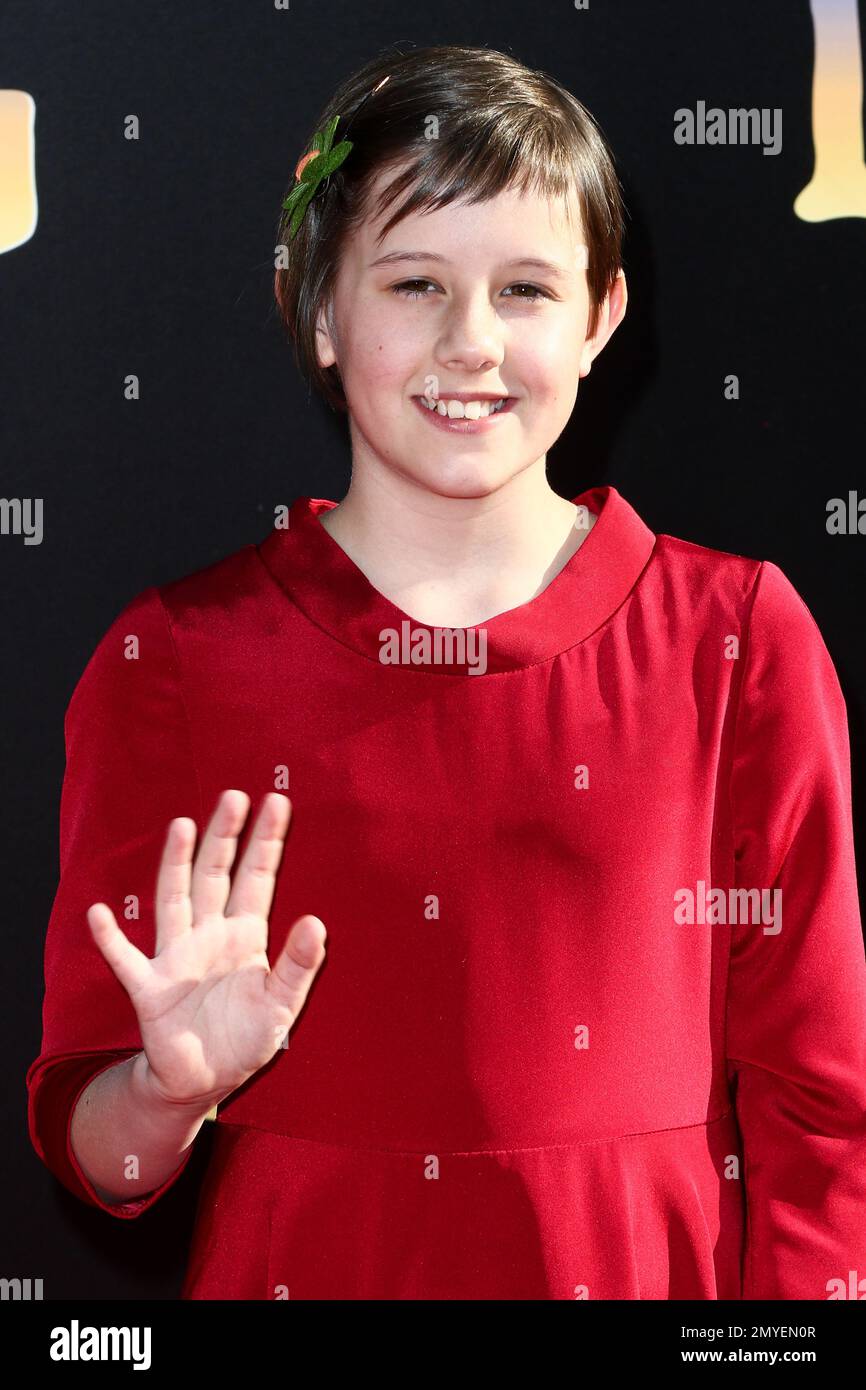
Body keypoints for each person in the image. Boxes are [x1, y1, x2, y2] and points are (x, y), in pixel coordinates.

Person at [26, 43, 866, 1301]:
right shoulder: (175, 660)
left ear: (600, 317)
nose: (468, 342)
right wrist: (165, 1088)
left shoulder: (736, 639)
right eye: (414, 281)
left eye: (524, 288)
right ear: (320, 311)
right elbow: (97, 1147)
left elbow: (820, 1106)